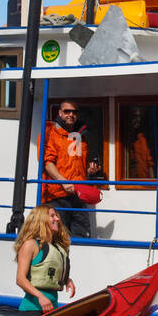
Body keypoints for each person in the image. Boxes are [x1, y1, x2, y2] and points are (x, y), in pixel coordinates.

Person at [41, 101, 99, 238]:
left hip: (78, 195)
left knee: (82, 237)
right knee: (58, 238)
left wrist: (90, 171)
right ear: (60, 113)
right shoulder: (49, 133)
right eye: (67, 111)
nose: (71, 114)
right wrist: (64, 182)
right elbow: (47, 163)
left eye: (74, 112)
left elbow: (77, 165)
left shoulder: (80, 136)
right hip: (56, 196)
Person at [14, 205, 75, 316]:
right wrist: (40, 297)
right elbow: (20, 279)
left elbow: (48, 273)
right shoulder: (30, 245)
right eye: (52, 216)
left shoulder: (57, 247)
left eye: (56, 216)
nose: (57, 219)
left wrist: (66, 280)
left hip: (52, 309)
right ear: (41, 220)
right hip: (32, 310)